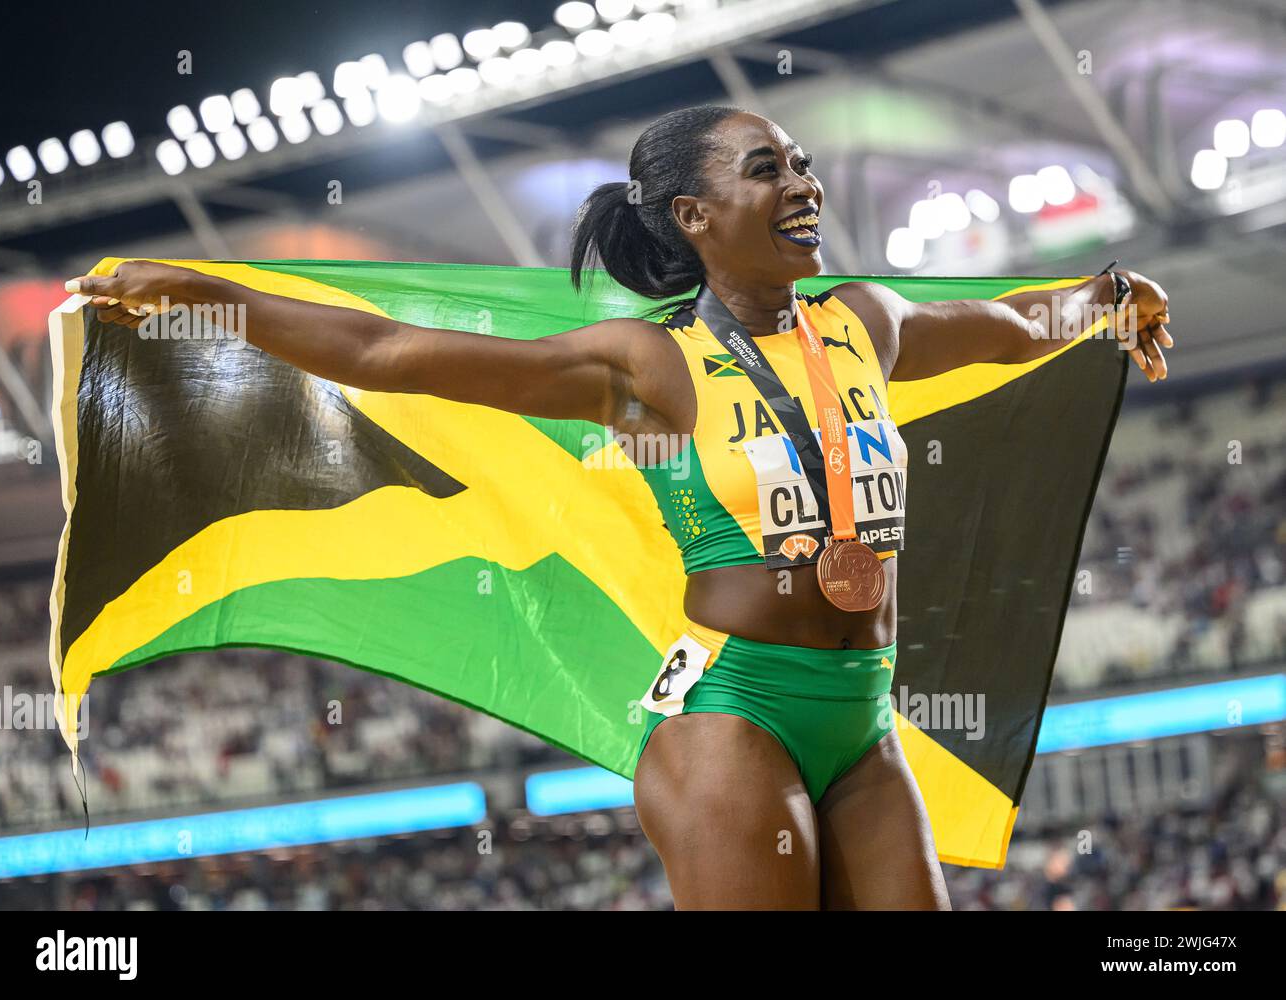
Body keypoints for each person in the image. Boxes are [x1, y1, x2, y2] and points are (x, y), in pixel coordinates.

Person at [67, 105, 1172, 910]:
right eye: (765, 169)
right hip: (734, 717)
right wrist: (219, 303)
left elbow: (1016, 324)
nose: (803, 184)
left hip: (865, 718)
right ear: (695, 215)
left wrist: (1105, 301)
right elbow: (391, 351)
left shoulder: (864, 322)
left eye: (799, 162)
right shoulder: (649, 361)